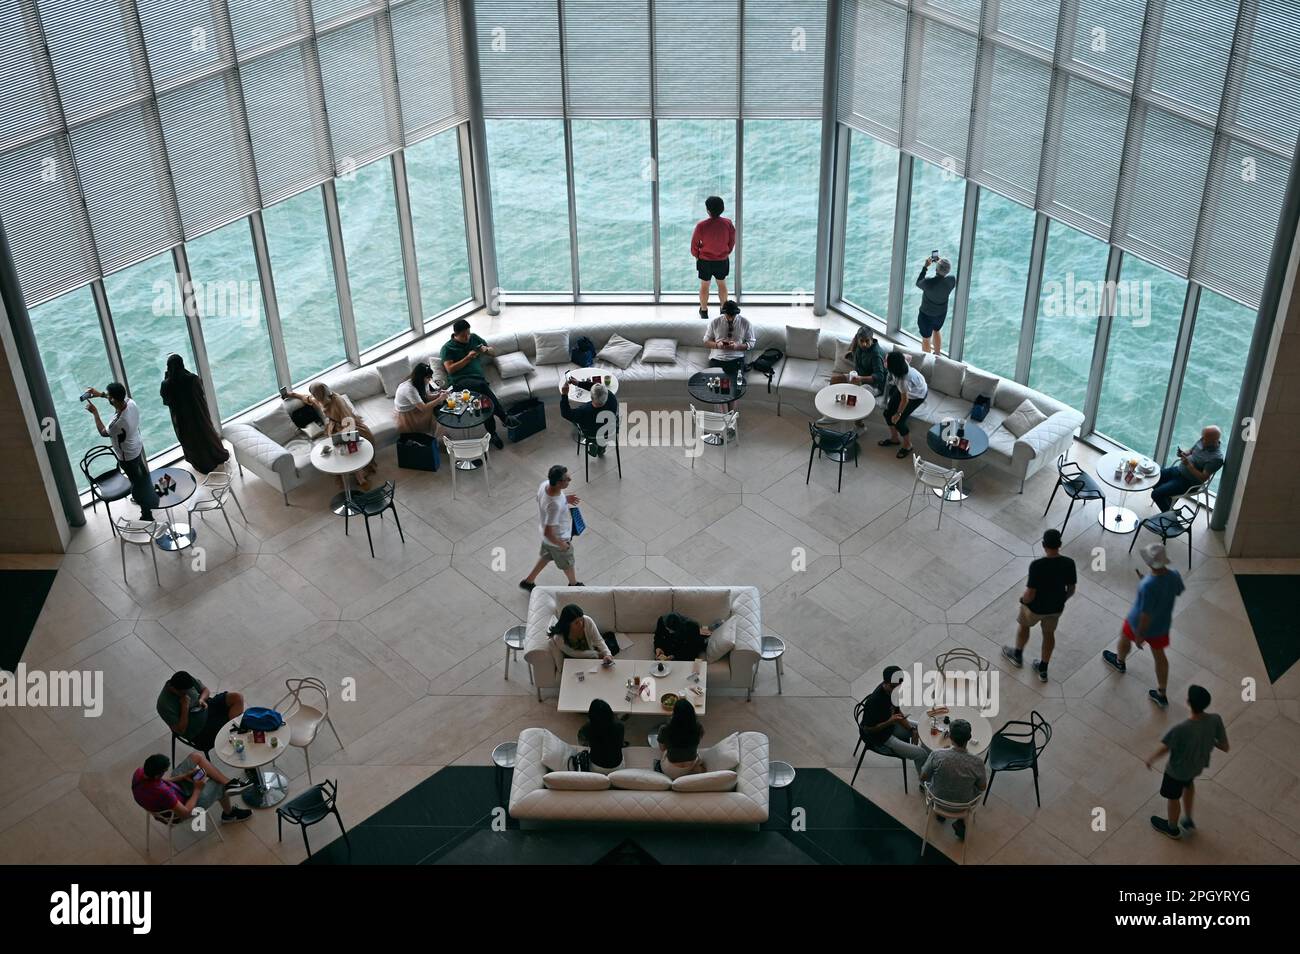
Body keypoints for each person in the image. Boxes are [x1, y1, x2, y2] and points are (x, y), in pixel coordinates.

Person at [1103, 543, 1186, 708]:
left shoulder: (1147, 586)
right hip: (1162, 626)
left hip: (1137, 624)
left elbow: (1145, 614)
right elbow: (1177, 591)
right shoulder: (1174, 575)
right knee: (1159, 656)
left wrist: (1140, 635)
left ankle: (1120, 661)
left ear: (1149, 563)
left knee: (1124, 637)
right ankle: (1162, 693)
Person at [1145, 685, 1229, 839]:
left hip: (1176, 771)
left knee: (1173, 797)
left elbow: (1165, 747)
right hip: (1195, 767)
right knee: (1188, 785)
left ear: (1188, 702)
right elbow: (1225, 746)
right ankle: (1188, 819)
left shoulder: (1182, 729)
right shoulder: (1215, 719)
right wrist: (1210, 739)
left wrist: (1151, 759)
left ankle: (1172, 828)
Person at [1002, 528, 1077, 683]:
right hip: (1055, 609)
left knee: (1024, 626)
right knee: (1049, 635)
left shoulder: (1037, 565)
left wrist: (1023, 601)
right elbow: (1071, 589)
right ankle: (1043, 668)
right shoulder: (1069, 564)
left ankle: (1017, 655)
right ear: (1060, 544)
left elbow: (1030, 593)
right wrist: (1061, 600)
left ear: (1043, 545)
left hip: (1034, 608)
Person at [439, 318, 520, 450]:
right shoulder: (447, 348)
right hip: (460, 383)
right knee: (483, 389)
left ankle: (493, 434)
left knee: (485, 402)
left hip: (478, 380)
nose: (467, 337)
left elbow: (493, 353)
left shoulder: (474, 338)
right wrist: (468, 358)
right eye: (464, 335)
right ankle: (504, 417)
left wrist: (485, 349)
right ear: (456, 334)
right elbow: (450, 369)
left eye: (468, 333)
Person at [85, 382, 159, 521]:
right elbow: (117, 400)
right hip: (137, 447)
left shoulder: (117, 423)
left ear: (113, 399)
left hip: (127, 457)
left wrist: (95, 413)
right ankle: (151, 498)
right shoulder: (131, 403)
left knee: (137, 484)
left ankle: (147, 514)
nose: (109, 398)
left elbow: (103, 432)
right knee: (143, 478)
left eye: (109, 397)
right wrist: (99, 394)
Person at [285, 382, 379, 490]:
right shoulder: (320, 399)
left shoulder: (337, 401)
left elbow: (349, 422)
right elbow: (308, 399)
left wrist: (343, 435)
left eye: (315, 394)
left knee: (348, 446)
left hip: (347, 426)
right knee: (338, 449)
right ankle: (357, 476)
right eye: (314, 394)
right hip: (333, 427)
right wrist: (292, 394)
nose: (314, 396)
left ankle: (361, 478)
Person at [132, 752, 253, 825]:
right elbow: (185, 813)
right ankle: (229, 814)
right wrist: (197, 789)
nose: (165, 773)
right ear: (157, 775)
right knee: (217, 784)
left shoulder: (140, 773)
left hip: (175, 790)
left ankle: (230, 783)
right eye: (164, 771)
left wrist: (183, 776)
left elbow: (163, 781)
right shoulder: (163, 793)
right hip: (183, 806)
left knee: (196, 757)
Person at [159, 354, 229, 474]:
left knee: (192, 442)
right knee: (206, 434)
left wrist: (167, 378)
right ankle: (217, 456)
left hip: (182, 419)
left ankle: (203, 464)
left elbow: (166, 400)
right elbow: (200, 391)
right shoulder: (192, 378)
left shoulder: (166, 384)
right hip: (198, 414)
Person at [918, 719, 987, 840]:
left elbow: (923, 777)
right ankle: (961, 822)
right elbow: (982, 787)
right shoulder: (977, 763)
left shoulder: (937, 755)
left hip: (938, 800)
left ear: (949, 736)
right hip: (964, 806)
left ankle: (940, 815)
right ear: (969, 738)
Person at [857, 665, 929, 777]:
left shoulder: (894, 692)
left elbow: (897, 712)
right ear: (884, 683)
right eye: (893, 687)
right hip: (879, 737)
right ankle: (924, 783)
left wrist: (912, 729)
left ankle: (926, 767)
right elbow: (868, 729)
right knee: (921, 754)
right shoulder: (874, 702)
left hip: (891, 726)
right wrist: (890, 721)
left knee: (924, 728)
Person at [520, 465, 581, 590]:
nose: (570, 479)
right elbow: (549, 532)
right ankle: (574, 585)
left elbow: (540, 500)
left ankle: (528, 581)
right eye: (566, 479)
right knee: (568, 563)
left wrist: (564, 499)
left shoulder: (545, 484)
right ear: (559, 483)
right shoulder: (554, 505)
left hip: (547, 539)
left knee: (546, 556)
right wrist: (562, 545)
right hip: (558, 539)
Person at [157, 671, 245, 753]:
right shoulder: (164, 704)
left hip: (206, 706)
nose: (187, 693)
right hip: (198, 729)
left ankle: (233, 730)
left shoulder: (185, 679)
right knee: (230, 728)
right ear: (173, 688)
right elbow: (181, 730)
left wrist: (202, 699)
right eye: (184, 692)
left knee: (237, 698)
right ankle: (233, 733)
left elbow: (205, 690)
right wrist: (185, 707)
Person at [1151, 425, 1223, 512]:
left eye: (1205, 439)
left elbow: (1203, 477)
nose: (1202, 440)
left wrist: (1188, 465)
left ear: (1215, 441)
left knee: (1156, 494)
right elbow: (1191, 451)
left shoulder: (1216, 458)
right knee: (1152, 478)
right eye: (1203, 437)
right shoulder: (1202, 440)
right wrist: (1183, 453)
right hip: (1177, 470)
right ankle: (1168, 504)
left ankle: (1171, 519)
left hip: (1187, 482)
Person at [704, 299, 755, 412]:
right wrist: (718, 345)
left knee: (736, 388)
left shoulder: (745, 323)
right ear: (724, 313)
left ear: (737, 313)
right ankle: (725, 418)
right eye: (728, 315)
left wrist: (737, 346)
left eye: (733, 315)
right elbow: (706, 342)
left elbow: (751, 343)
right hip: (717, 359)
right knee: (718, 389)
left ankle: (730, 418)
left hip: (736, 360)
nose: (730, 318)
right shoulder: (715, 322)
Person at [690, 195, 736, 319]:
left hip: (705, 260)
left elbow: (694, 244)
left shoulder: (701, 225)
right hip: (722, 260)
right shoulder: (728, 223)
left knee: (705, 285)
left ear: (708, 210)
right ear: (723, 208)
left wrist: (697, 255)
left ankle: (704, 311)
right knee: (722, 284)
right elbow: (732, 241)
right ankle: (723, 310)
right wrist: (726, 252)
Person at [878, 350, 928, 459]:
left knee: (899, 422)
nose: (884, 361)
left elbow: (905, 400)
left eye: (887, 360)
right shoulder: (902, 360)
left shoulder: (903, 380)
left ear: (893, 366)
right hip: (906, 390)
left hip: (917, 395)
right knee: (887, 413)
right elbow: (909, 357)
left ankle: (908, 445)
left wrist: (898, 414)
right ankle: (894, 439)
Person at [560, 380, 618, 458]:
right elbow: (599, 390)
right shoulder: (612, 398)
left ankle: (593, 443)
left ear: (591, 397)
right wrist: (578, 383)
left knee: (575, 421)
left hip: (591, 435)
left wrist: (564, 394)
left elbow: (565, 413)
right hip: (608, 432)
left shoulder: (583, 411)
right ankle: (601, 447)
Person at [656, 698, 705, 780]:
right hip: (690, 766)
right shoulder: (698, 728)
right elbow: (698, 740)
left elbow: (662, 748)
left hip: (670, 770)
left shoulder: (665, 729)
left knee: (665, 753)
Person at [916, 254, 956, 354]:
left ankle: (927, 360)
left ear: (936, 269)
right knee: (937, 330)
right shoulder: (951, 280)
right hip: (941, 313)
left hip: (926, 314)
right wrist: (941, 262)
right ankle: (937, 355)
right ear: (948, 270)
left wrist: (925, 267)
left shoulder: (929, 282)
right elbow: (944, 272)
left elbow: (918, 282)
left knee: (926, 338)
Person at [393, 362, 447, 435]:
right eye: (428, 377)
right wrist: (440, 399)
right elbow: (423, 408)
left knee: (438, 409)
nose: (430, 379)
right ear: (421, 377)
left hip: (417, 406)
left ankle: (439, 434)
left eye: (430, 377)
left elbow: (427, 396)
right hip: (408, 413)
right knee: (436, 413)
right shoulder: (409, 389)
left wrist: (439, 394)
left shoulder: (423, 382)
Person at [831, 326, 887, 395]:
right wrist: (851, 352)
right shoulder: (859, 346)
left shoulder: (876, 355)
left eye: (867, 341)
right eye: (861, 341)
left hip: (874, 385)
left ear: (871, 339)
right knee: (834, 380)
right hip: (859, 377)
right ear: (858, 340)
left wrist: (860, 379)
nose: (864, 344)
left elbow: (879, 376)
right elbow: (855, 342)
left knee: (853, 395)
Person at [548, 602, 613, 663]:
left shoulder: (587, 620)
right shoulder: (559, 637)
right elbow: (573, 653)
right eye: (576, 623)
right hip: (575, 659)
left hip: (591, 652)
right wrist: (596, 654)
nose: (581, 624)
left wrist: (607, 654)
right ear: (568, 624)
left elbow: (598, 640)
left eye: (581, 620)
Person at [578, 698, 625, 775]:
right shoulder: (620, 726)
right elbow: (620, 743)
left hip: (596, 767)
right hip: (617, 766)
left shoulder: (587, 728)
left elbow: (581, 742)